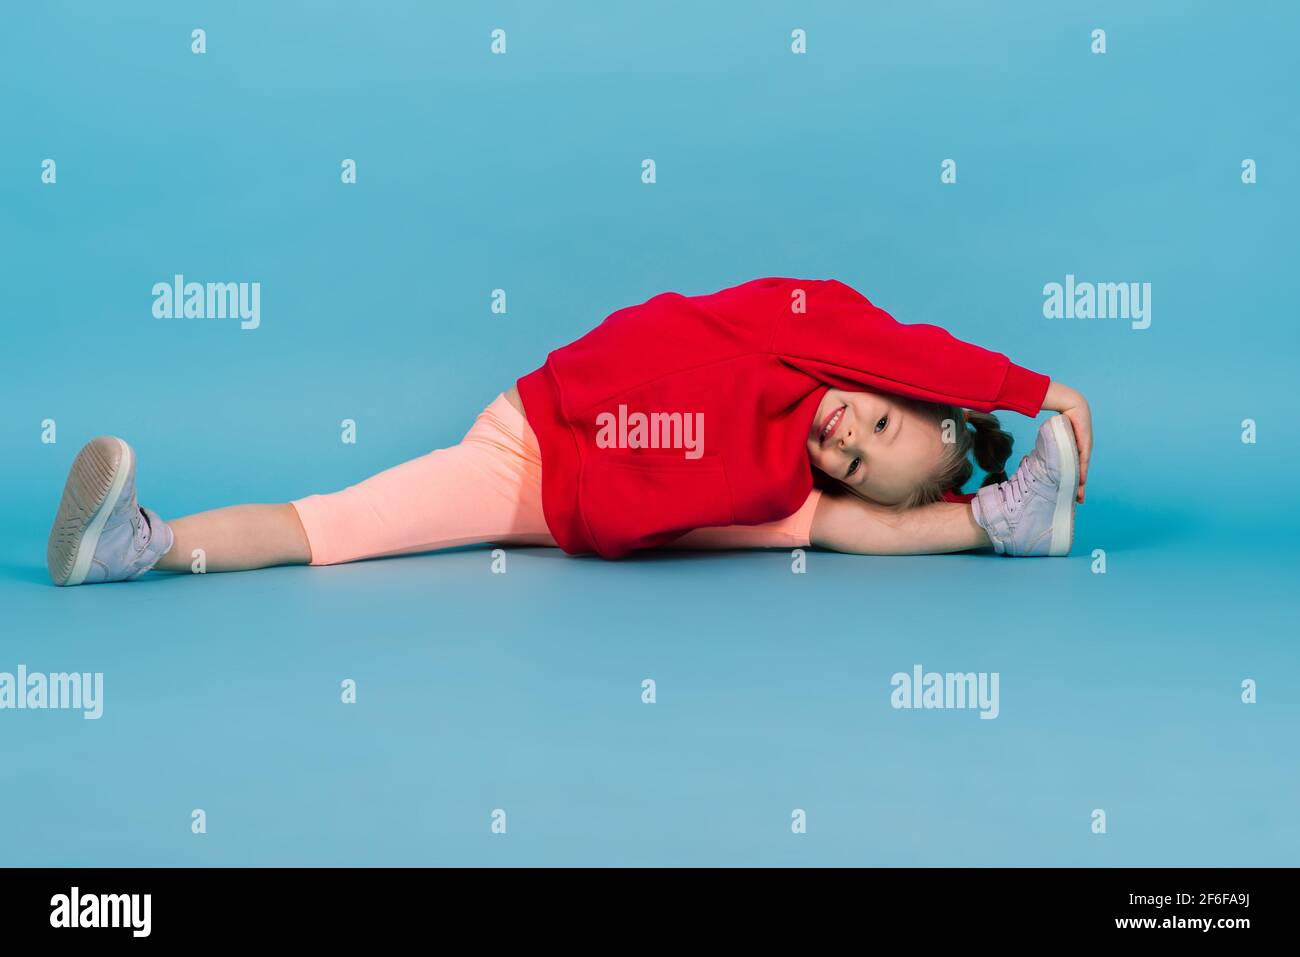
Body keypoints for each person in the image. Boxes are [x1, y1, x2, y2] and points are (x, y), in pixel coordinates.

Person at [45, 277, 1092, 586]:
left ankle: (1007, 520)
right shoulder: (791, 329)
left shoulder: (790, 490)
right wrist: (1036, 389)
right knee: (334, 524)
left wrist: (971, 509)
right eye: (869, 414)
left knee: (338, 529)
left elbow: (866, 522)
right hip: (527, 442)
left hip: (552, 509)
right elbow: (896, 347)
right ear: (885, 382)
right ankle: (146, 540)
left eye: (860, 461)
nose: (844, 438)